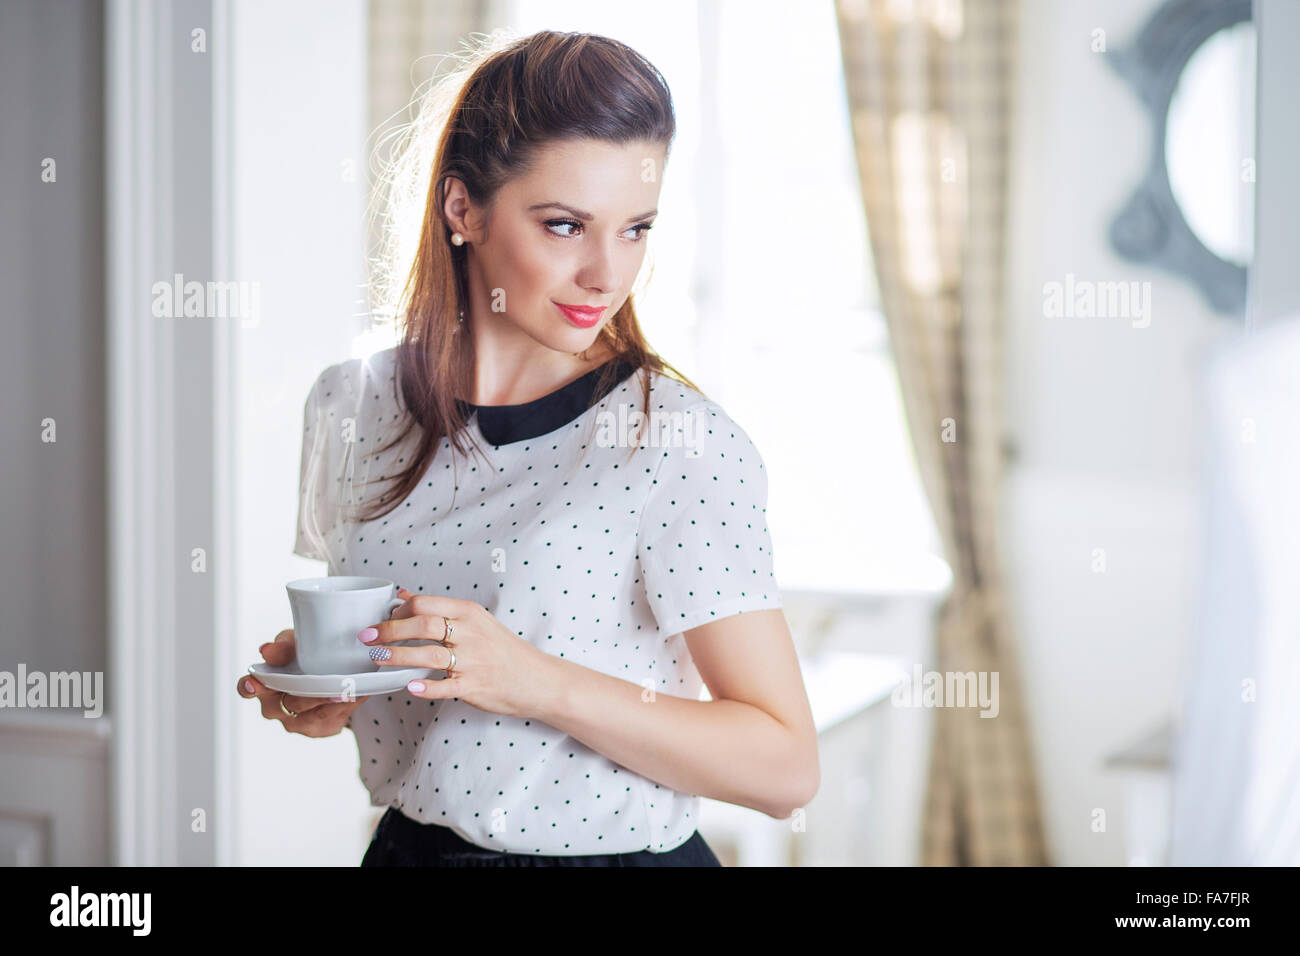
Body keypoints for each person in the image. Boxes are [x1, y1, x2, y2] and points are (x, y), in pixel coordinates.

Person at [237, 29, 818, 867]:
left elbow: (785, 766)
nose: (605, 274)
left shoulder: (679, 442)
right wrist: (330, 691)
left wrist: (534, 681)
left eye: (635, 229)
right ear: (462, 208)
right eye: (563, 226)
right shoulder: (350, 403)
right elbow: (402, 677)